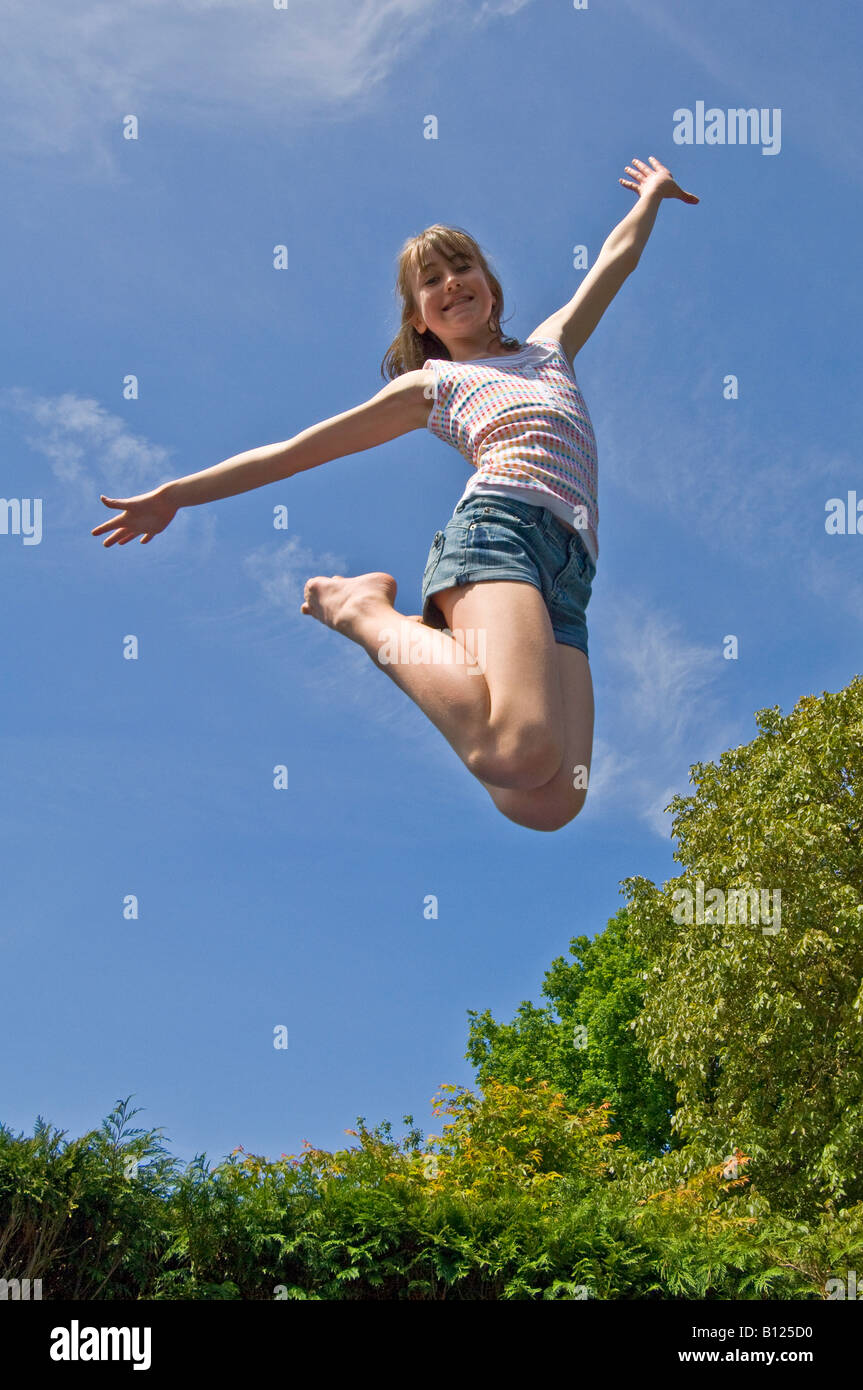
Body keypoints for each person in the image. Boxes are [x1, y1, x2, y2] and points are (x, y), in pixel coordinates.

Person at [92, 155, 698, 831]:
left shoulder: (548, 349)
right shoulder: (428, 386)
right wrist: (176, 493)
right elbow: (296, 451)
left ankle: (415, 635)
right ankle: (358, 610)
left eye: (460, 267)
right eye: (429, 282)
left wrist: (649, 196)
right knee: (515, 751)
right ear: (419, 320)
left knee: (549, 800)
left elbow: (613, 262)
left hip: (572, 572)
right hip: (500, 533)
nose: (450, 284)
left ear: (490, 288)